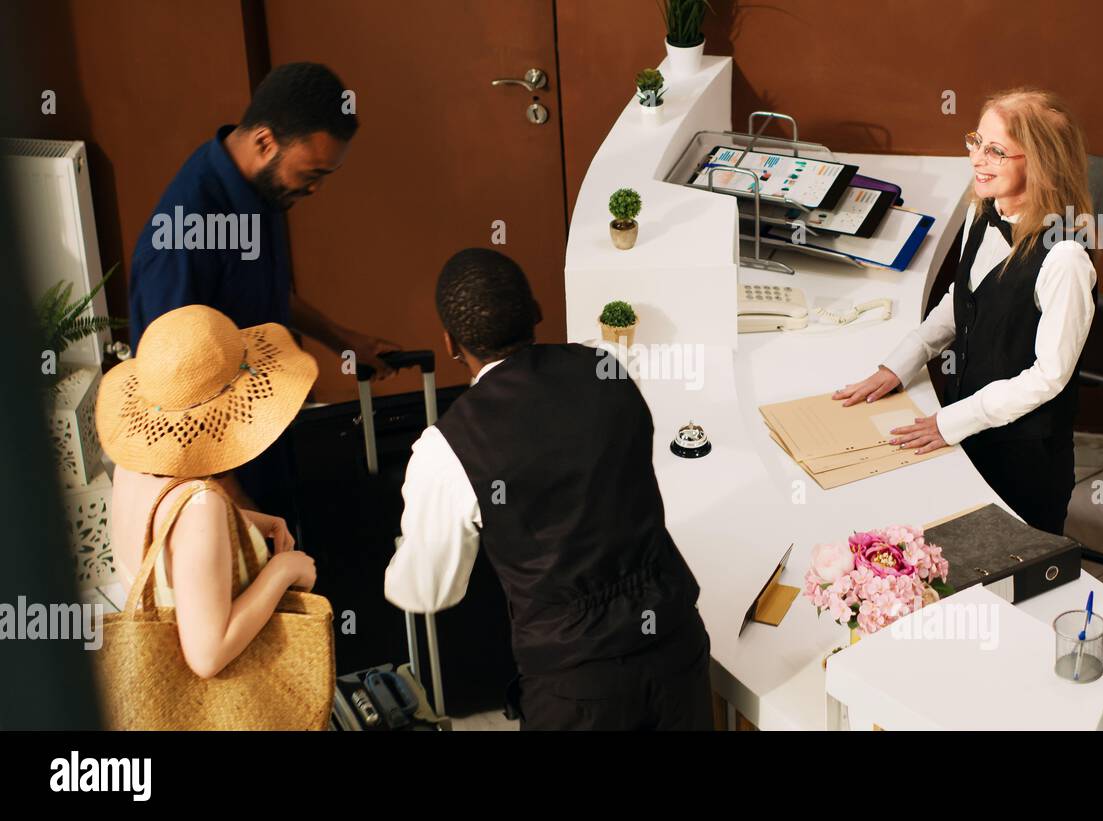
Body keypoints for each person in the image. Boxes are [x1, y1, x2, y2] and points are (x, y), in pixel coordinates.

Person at [384, 248, 713, 730]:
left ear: (451, 343)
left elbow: (429, 590)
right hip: (677, 646)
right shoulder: (609, 370)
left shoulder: (445, 449)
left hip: (577, 688)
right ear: (536, 312)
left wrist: (405, 552)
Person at [127, 61, 396, 514]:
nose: (315, 189)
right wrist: (236, 503)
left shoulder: (260, 189)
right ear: (265, 142)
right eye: (312, 173)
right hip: (215, 468)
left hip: (264, 429)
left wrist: (344, 340)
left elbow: (261, 294)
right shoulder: (183, 235)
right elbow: (172, 391)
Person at [835, 88, 1097, 535]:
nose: (977, 159)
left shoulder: (1065, 258)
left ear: (1042, 163)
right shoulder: (983, 208)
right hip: (969, 421)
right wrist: (903, 360)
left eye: (996, 151)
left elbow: (1048, 377)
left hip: (1024, 455)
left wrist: (953, 421)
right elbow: (964, 294)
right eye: (976, 141)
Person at [97, 304, 320, 678]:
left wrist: (247, 521)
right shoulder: (202, 504)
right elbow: (207, 656)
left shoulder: (131, 468)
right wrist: (285, 569)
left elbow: (166, 541)